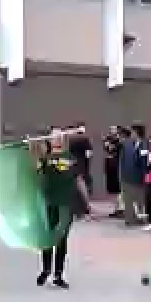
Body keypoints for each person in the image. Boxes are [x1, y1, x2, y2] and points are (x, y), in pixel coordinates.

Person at [37, 127, 92, 289]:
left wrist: (86, 202)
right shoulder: (45, 159)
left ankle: (58, 274)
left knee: (62, 238)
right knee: (47, 237)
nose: (58, 139)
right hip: (49, 203)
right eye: (54, 136)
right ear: (50, 140)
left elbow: (79, 180)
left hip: (66, 204)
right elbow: (35, 176)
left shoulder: (71, 158)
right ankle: (46, 270)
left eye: (60, 136)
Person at [120, 123, 149, 226]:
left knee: (140, 200)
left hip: (139, 177)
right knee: (127, 199)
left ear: (137, 132)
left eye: (132, 132)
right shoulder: (127, 144)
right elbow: (122, 160)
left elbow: (145, 162)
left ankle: (142, 219)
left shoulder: (145, 144)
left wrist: (144, 176)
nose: (131, 134)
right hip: (126, 176)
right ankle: (130, 219)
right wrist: (122, 174)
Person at [68, 122, 95, 213]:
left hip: (73, 163)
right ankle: (86, 206)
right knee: (82, 184)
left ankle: (81, 206)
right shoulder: (84, 140)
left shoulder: (71, 140)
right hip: (81, 164)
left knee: (77, 184)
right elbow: (89, 154)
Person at [103, 126, 123, 217]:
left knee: (119, 189)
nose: (112, 131)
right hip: (110, 168)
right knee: (113, 190)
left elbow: (113, 150)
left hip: (118, 168)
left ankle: (121, 209)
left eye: (114, 129)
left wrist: (110, 146)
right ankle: (117, 209)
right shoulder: (108, 140)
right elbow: (107, 149)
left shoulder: (121, 141)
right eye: (111, 129)